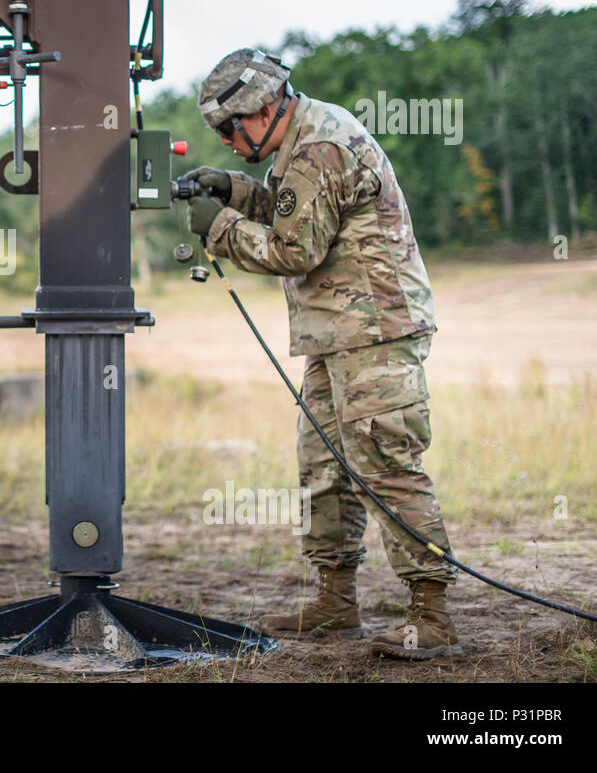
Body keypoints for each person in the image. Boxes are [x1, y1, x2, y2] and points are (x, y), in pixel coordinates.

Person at [182, 47, 462, 661]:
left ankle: (431, 614)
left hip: (375, 333)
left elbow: (295, 250)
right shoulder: (301, 141)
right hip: (337, 334)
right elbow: (298, 214)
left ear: (259, 111)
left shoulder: (320, 147)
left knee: (386, 463)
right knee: (324, 469)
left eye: (228, 129)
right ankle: (336, 602)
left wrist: (217, 227)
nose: (226, 140)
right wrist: (235, 191)